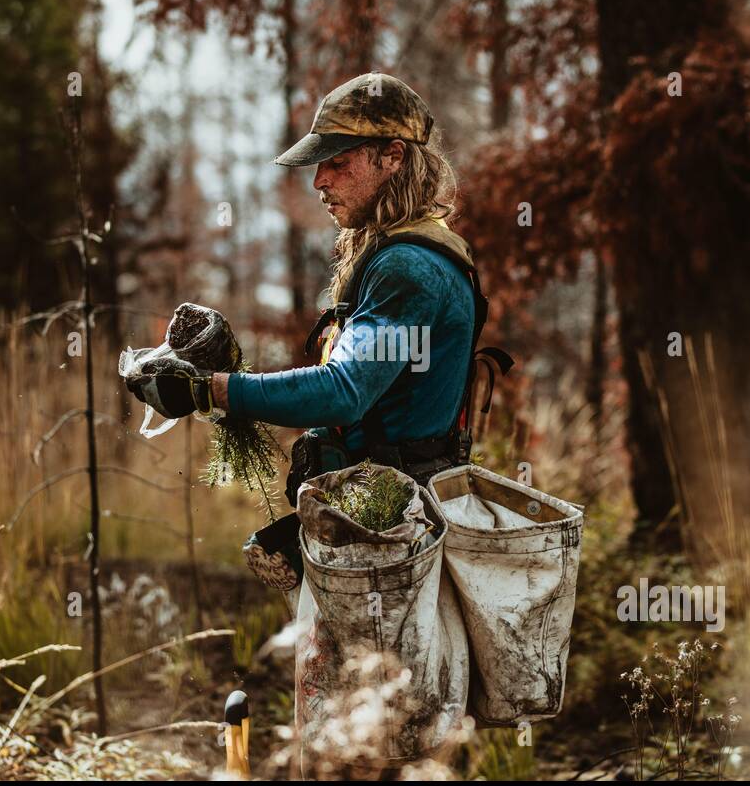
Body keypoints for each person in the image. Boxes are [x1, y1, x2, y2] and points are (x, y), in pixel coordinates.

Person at [125, 73, 495, 585]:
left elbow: (344, 392)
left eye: (338, 163)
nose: (320, 181)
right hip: (381, 521)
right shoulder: (413, 252)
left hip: (392, 541)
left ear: (393, 157)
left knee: (374, 671)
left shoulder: (408, 268)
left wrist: (207, 391)